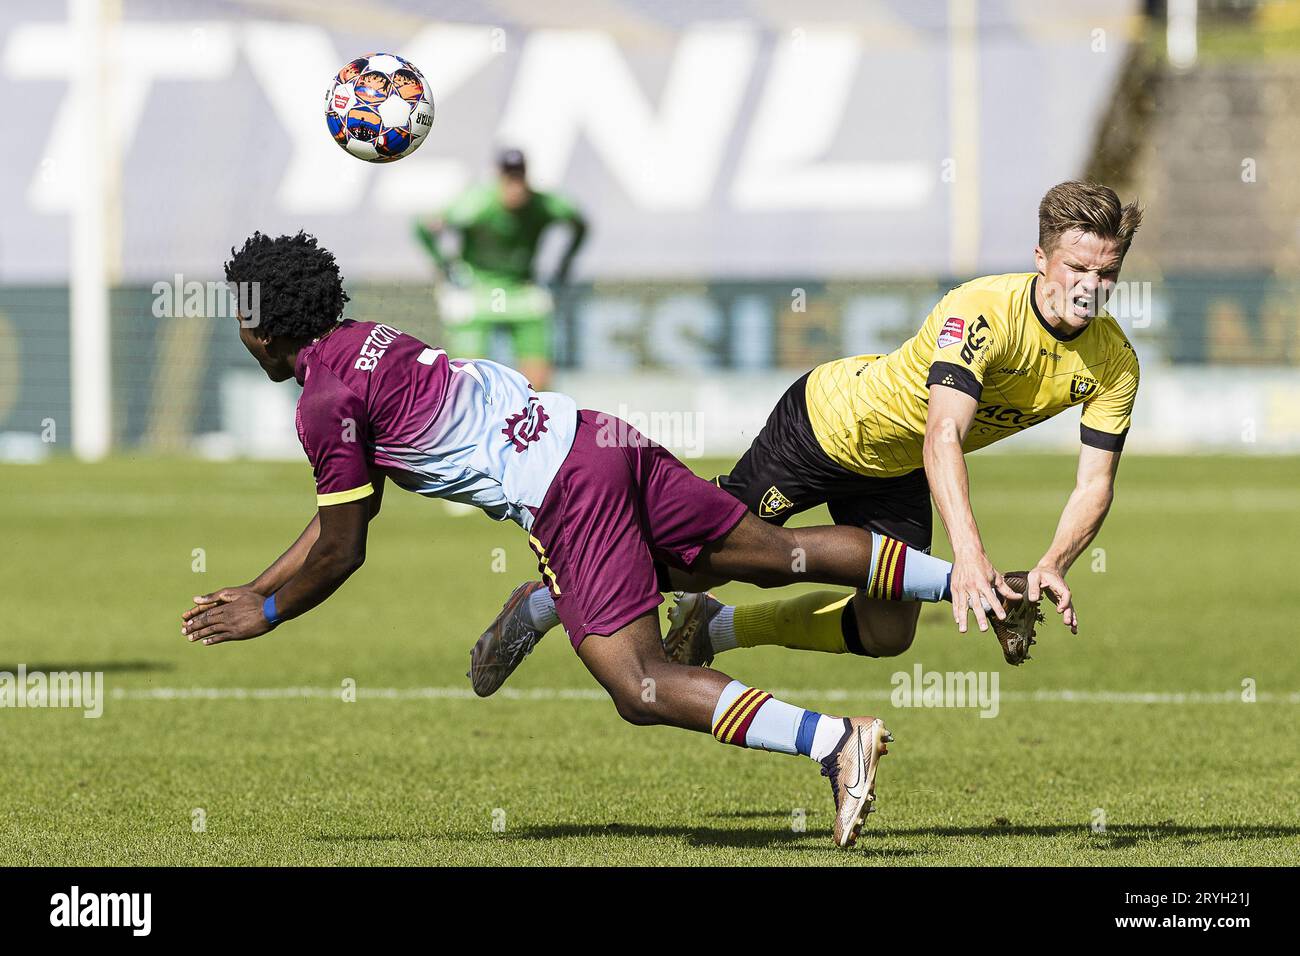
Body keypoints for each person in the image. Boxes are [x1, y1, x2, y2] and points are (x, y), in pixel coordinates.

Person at [179, 231, 1030, 847]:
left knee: (643, 686)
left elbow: (343, 547)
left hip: (568, 497)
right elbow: (334, 520)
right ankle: (981, 587)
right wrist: (259, 582)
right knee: (775, 556)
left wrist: (271, 611)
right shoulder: (370, 341)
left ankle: (833, 742)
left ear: (261, 329)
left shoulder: (322, 400)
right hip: (602, 440)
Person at [475, 180, 1139, 679]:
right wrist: (969, 556)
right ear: (1040, 259)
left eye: (1105, 273)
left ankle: (720, 630)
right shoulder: (983, 311)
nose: (1089, 286)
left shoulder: (1114, 363)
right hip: (825, 425)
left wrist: (1053, 563)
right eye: (1076, 268)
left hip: (895, 468)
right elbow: (943, 435)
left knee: (887, 631)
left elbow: (1093, 483)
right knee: (695, 563)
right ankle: (539, 605)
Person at [414, 148, 586, 390]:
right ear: (499, 178)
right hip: (476, 289)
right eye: (509, 179)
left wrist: (565, 263)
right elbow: (423, 226)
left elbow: (579, 223)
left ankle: (536, 421)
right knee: (466, 380)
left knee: (541, 380)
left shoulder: (544, 205)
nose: (514, 187)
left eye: (519, 178)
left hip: (521, 288)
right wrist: (444, 265)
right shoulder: (476, 205)